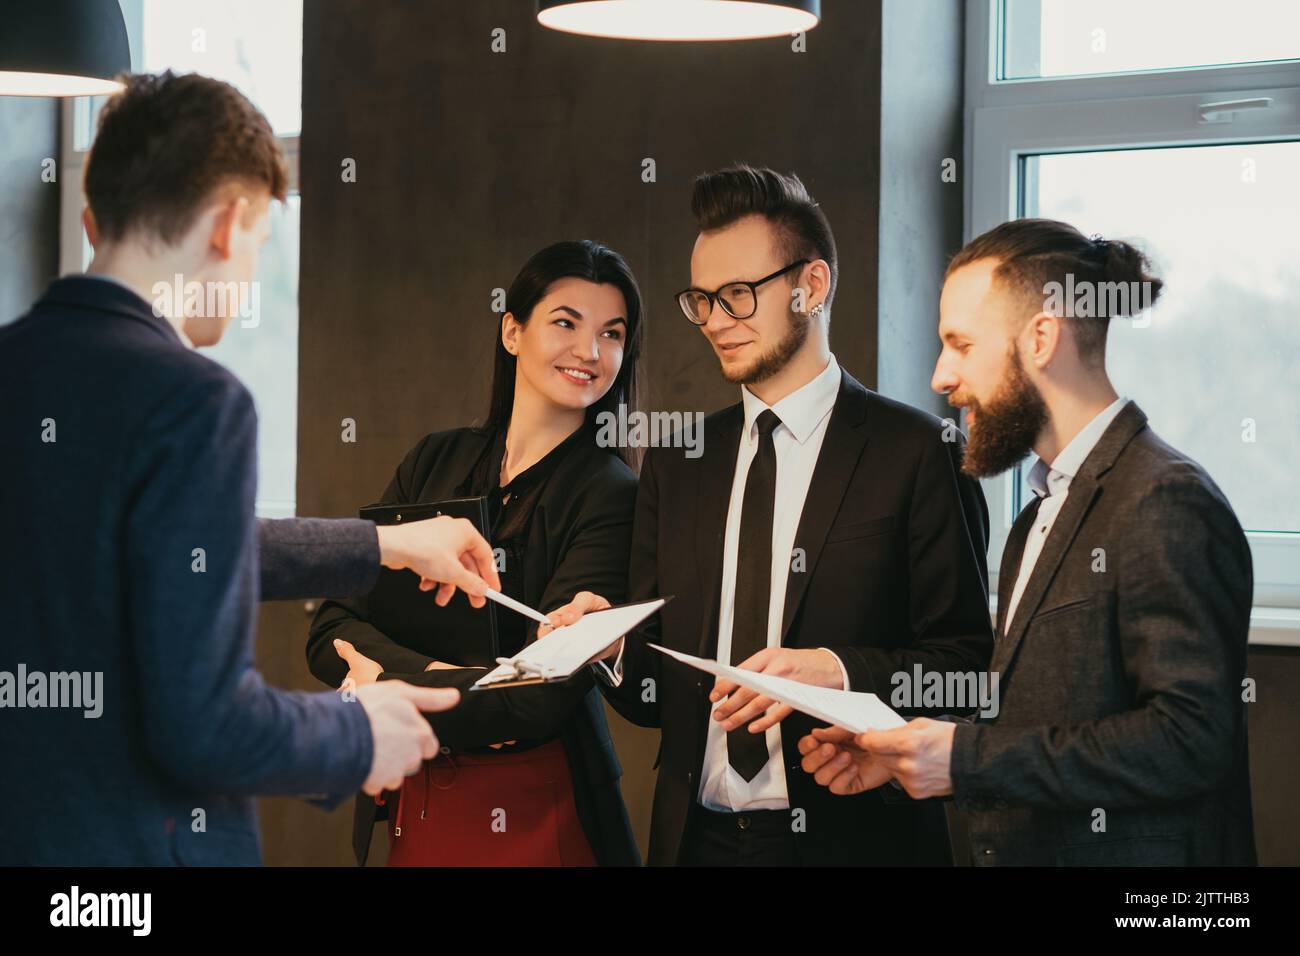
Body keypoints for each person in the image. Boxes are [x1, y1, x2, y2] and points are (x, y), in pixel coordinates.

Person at [0, 71, 460, 866]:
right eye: (259, 241)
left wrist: (384, 545)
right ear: (229, 223)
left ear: (91, 217)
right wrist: (357, 729)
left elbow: (162, 548)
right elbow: (204, 726)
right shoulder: (194, 401)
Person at [545, 165, 994, 866]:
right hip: (695, 844)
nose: (715, 323)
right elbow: (658, 697)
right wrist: (612, 648)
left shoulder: (917, 453)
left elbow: (967, 672)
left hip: (860, 845)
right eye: (701, 300)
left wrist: (837, 671)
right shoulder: (677, 458)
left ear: (810, 286)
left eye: (737, 296)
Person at [800, 218, 1256, 866]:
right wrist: (905, 753)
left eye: (960, 344)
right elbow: (1030, 729)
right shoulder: (1034, 517)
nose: (940, 376)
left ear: (1041, 337)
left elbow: (1190, 740)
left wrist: (964, 760)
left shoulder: (1164, 499)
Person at [306, 240, 645, 867]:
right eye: (565, 323)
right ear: (512, 331)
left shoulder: (613, 494)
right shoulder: (433, 459)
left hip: (538, 805)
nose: (591, 353)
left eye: (612, 334)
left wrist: (387, 678)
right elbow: (329, 626)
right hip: (417, 796)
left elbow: (536, 697)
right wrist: (435, 683)